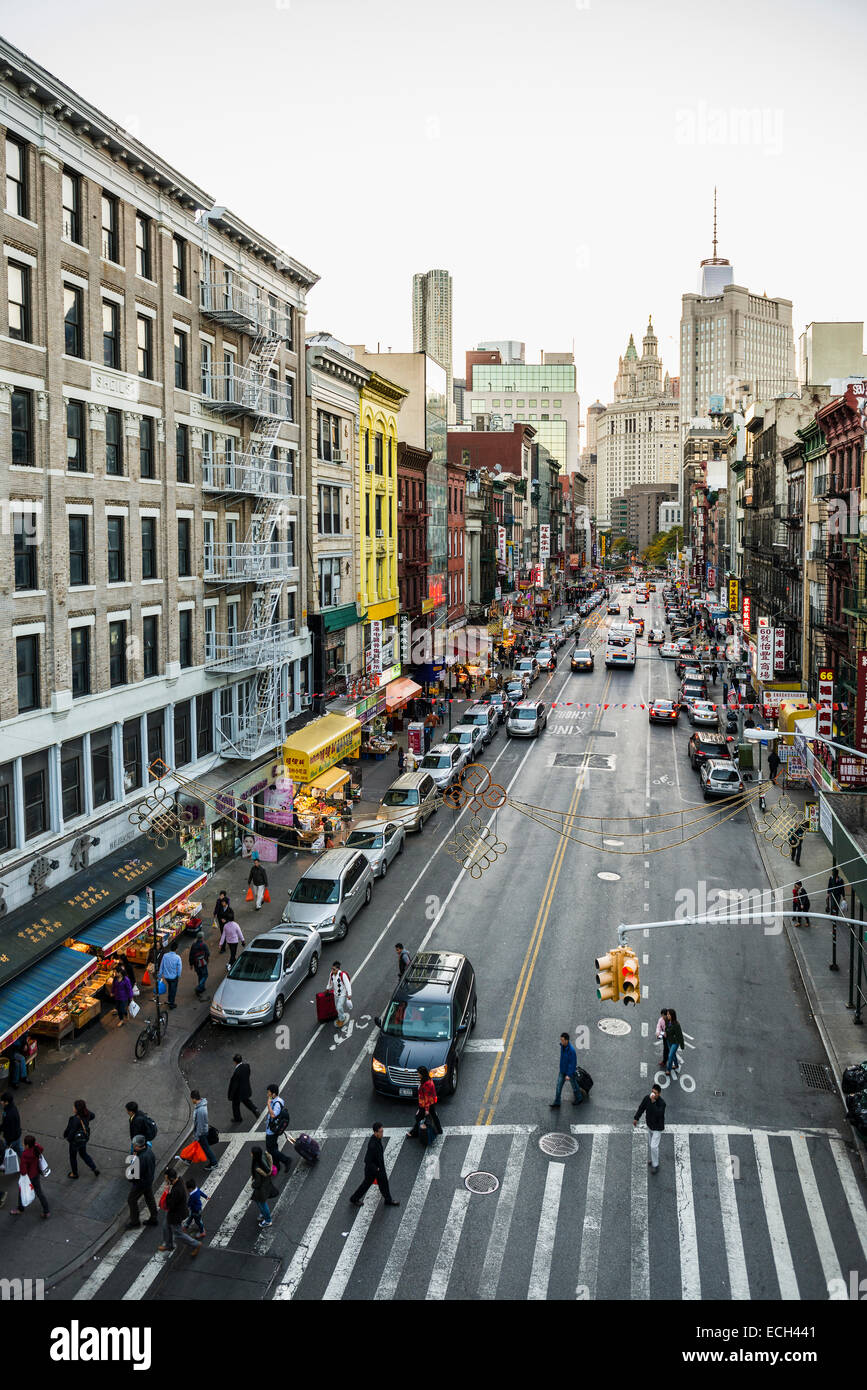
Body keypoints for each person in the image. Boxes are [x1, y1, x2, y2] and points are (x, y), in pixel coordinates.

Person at [348, 1122, 399, 1207]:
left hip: (379, 1167)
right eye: (381, 1132)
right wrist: (377, 1169)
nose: (382, 1133)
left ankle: (388, 1200)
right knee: (366, 1185)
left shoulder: (377, 1139)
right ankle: (354, 1199)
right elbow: (367, 1160)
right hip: (372, 1170)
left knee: (384, 1183)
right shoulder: (372, 1145)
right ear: (375, 1132)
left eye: (382, 1131)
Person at [158, 1167, 201, 1255]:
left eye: (166, 1179)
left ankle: (196, 1244)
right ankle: (168, 1245)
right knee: (166, 1226)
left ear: (172, 1178)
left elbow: (170, 1205)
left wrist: (167, 1192)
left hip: (176, 1215)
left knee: (178, 1234)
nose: (165, 1181)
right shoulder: (179, 1181)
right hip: (174, 1212)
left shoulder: (176, 1190)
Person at [10, 1134, 50, 1218]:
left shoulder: (25, 1155)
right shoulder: (36, 1148)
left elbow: (23, 1171)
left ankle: (20, 1209)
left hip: (28, 1177)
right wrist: (35, 1144)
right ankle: (46, 1210)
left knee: (21, 1192)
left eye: (24, 1144)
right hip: (36, 1174)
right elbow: (41, 1148)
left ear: (27, 1145)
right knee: (39, 1192)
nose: (23, 1145)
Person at [126, 1134, 159, 1228]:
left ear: (138, 1146)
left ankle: (135, 1222)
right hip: (148, 1179)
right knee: (149, 1198)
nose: (133, 1147)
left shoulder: (141, 1158)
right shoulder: (149, 1151)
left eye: (134, 1145)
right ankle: (154, 1217)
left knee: (131, 1200)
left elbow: (135, 1174)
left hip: (141, 1183)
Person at [633, 1083, 666, 1174]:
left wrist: (653, 1103)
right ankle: (654, 1159)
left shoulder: (662, 1103)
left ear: (659, 1094)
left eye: (655, 1093)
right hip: (649, 1126)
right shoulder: (647, 1098)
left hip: (657, 1128)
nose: (653, 1094)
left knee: (653, 1146)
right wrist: (636, 1118)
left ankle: (655, 1165)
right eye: (652, 1092)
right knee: (652, 1145)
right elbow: (641, 1108)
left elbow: (659, 1114)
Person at [63, 1099, 99, 1179]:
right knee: (83, 1153)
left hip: (75, 1142)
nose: (73, 1108)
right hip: (83, 1139)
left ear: (76, 1109)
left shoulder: (75, 1119)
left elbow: (70, 1132)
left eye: (74, 1106)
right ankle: (94, 1168)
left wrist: (68, 1138)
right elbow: (93, 1116)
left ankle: (74, 1173)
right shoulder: (87, 1114)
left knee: (73, 1157)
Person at [406, 1065, 443, 1141]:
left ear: (422, 1074)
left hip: (425, 1104)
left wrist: (426, 1109)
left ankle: (413, 1133)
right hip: (430, 1103)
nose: (418, 1074)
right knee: (433, 1116)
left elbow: (427, 1098)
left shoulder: (426, 1084)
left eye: (418, 1073)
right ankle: (439, 1130)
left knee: (419, 1118)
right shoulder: (427, 1080)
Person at [550, 1031, 586, 1107]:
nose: (561, 1041)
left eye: (562, 1040)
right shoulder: (562, 1047)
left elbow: (573, 1064)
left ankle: (579, 1098)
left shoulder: (571, 1051)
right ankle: (557, 1102)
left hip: (569, 1072)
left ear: (567, 1040)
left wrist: (569, 1075)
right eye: (561, 1040)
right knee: (558, 1086)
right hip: (562, 1070)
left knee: (574, 1087)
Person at [265, 1084, 292, 1174]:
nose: (267, 1094)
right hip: (273, 1128)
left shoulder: (276, 1104)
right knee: (274, 1147)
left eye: (268, 1092)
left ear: (273, 1094)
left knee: (270, 1149)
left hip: (272, 1131)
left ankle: (286, 1160)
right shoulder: (279, 1100)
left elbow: (273, 1115)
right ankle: (277, 1165)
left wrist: (268, 1104)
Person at [190, 1089, 219, 1170]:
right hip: (202, 1131)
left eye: (192, 1099)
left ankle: (214, 1163)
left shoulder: (200, 1110)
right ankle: (191, 1157)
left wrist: (197, 1136)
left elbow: (200, 1125)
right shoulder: (201, 1106)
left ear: (194, 1099)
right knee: (204, 1146)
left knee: (206, 1148)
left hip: (201, 1133)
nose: (191, 1100)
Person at [250, 1145, 277, 1228]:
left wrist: (253, 1185)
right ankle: (263, 1214)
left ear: (254, 1155)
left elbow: (258, 1181)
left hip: (261, 1187)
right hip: (266, 1183)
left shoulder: (257, 1166)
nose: (250, 1154)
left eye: (251, 1153)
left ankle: (268, 1220)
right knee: (260, 1201)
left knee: (262, 1203)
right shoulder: (263, 1158)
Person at [228, 1054, 258, 1123]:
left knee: (235, 1105)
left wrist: (231, 1095)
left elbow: (234, 1085)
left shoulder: (237, 1072)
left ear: (235, 1062)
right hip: (245, 1089)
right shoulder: (246, 1066)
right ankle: (255, 1110)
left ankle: (238, 1118)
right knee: (246, 1101)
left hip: (238, 1092)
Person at [158, 944, 182, 1009]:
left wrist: (160, 975)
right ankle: (171, 1004)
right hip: (174, 977)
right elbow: (179, 968)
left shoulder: (165, 956)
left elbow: (161, 966)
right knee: (173, 990)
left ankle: (169, 1000)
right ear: (176, 949)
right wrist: (178, 975)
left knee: (170, 988)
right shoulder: (177, 957)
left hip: (166, 977)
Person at [329, 961, 352, 1028]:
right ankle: (340, 1016)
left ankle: (342, 1019)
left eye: (334, 969)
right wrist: (328, 988)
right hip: (335, 994)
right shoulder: (331, 974)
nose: (332, 970)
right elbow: (330, 982)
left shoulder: (342, 975)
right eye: (332, 969)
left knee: (339, 1007)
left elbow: (348, 985)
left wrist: (349, 994)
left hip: (342, 994)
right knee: (337, 1007)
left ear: (338, 969)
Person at [664, 1008, 685, 1077]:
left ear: (672, 1015)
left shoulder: (676, 1025)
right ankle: (676, 1065)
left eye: (668, 1014)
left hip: (675, 1042)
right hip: (669, 1040)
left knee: (670, 1056)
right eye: (667, 1014)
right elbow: (666, 1028)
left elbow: (680, 1036)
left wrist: (682, 1046)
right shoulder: (667, 1021)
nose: (667, 1016)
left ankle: (668, 1069)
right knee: (672, 1054)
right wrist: (665, 1033)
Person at [189, 931, 210, 998]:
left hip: (196, 963)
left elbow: (191, 955)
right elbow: (208, 953)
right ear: (202, 938)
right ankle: (199, 987)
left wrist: (191, 964)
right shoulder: (203, 945)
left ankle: (202, 988)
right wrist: (206, 959)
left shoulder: (193, 945)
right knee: (205, 975)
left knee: (200, 975)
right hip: (203, 963)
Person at [1, 1090, 23, 1157]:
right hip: (16, 1136)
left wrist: (9, 1141)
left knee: (4, 1152)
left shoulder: (9, 1114)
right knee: (19, 1150)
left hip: (11, 1139)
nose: (1, 1102)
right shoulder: (11, 1107)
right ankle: (27, 1161)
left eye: (2, 1100)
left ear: (6, 1102)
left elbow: (8, 1128)